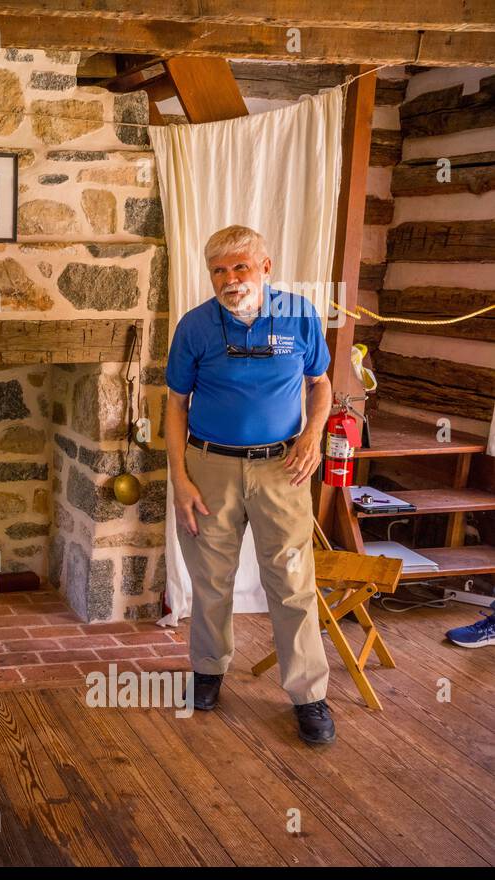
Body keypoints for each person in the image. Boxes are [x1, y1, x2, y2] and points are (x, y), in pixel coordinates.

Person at [165, 225, 337, 745]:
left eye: (240, 266)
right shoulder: (195, 326)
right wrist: (179, 479)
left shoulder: (300, 316)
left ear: (265, 267)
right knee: (210, 580)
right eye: (218, 270)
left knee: (291, 581)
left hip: (283, 468)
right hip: (210, 467)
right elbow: (175, 404)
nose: (229, 279)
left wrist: (313, 435)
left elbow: (321, 383)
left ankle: (308, 695)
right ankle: (208, 670)